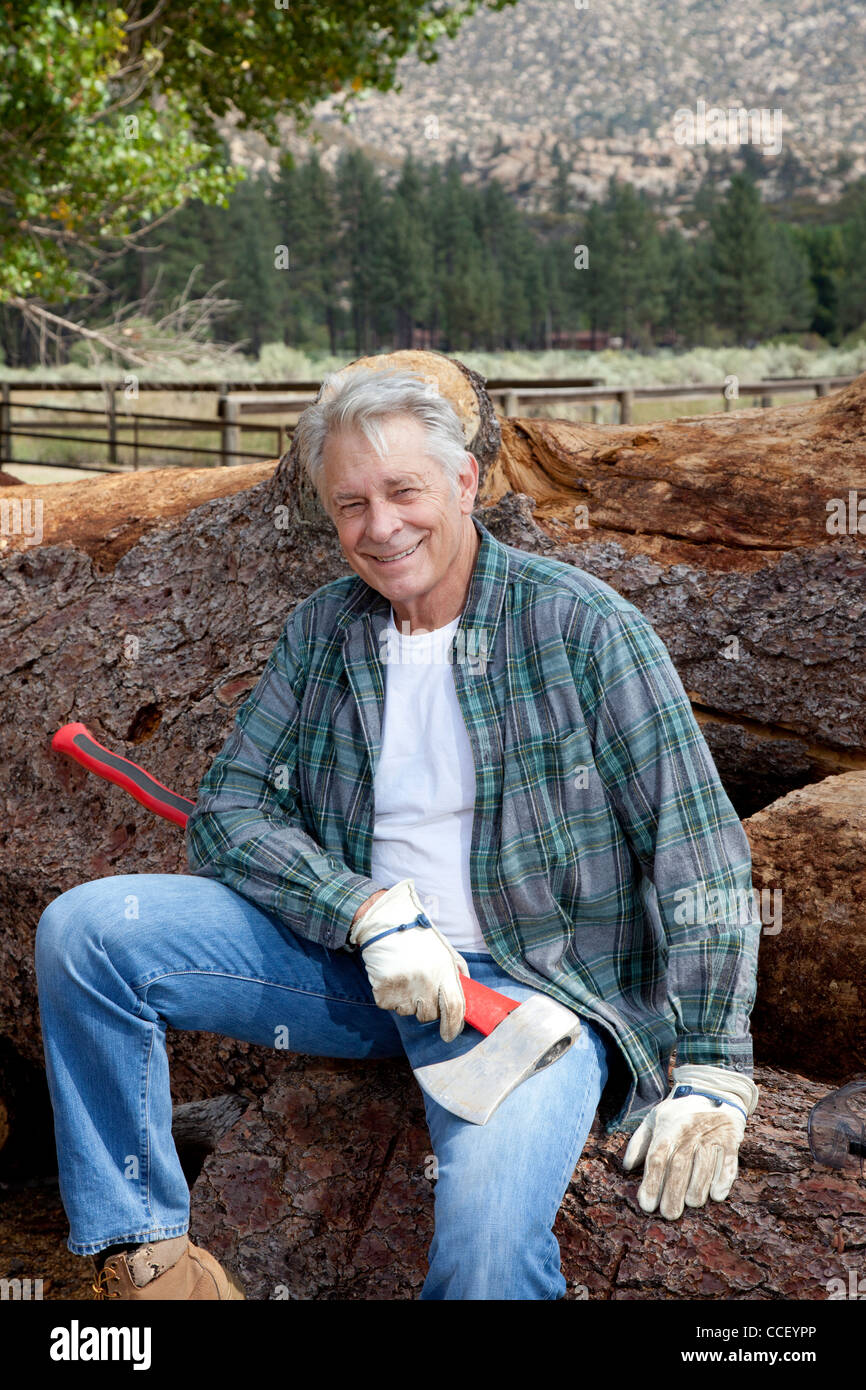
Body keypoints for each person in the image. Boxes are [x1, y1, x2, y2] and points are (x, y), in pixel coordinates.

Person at [35, 365, 762, 1301]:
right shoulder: (323, 633)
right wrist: (366, 910)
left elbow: (698, 851)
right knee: (89, 933)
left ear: (464, 484)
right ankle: (153, 1261)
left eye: (404, 491)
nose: (381, 528)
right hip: (354, 968)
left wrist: (713, 1069)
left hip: (530, 998)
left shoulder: (583, 629)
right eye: (352, 504)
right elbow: (229, 814)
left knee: (492, 1255)